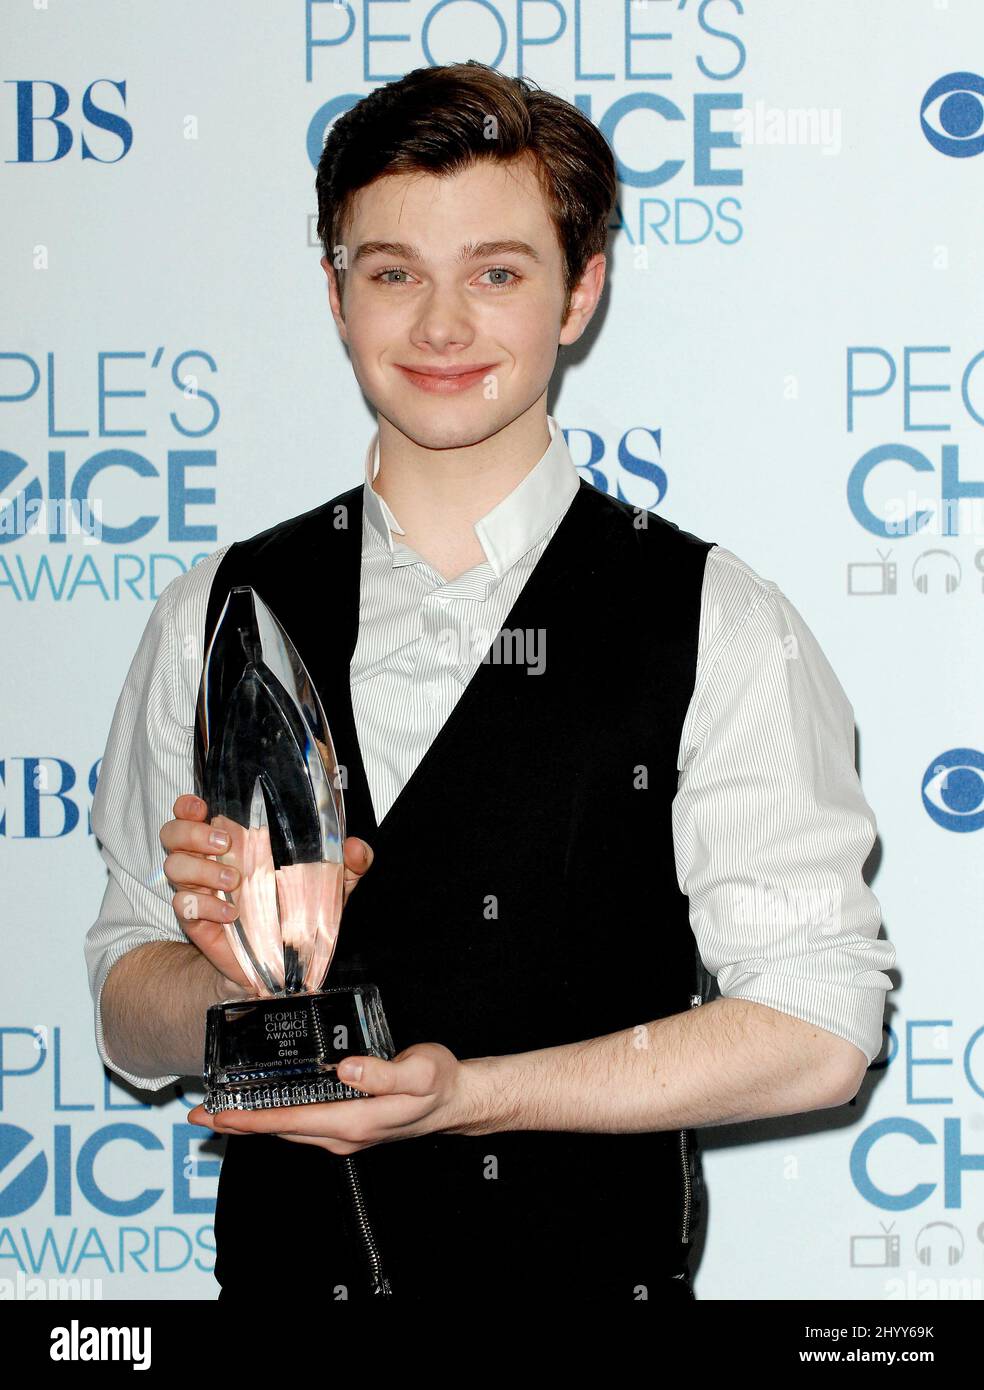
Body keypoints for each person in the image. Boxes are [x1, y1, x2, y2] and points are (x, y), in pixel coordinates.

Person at [84, 60, 896, 1302]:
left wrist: (476, 1097)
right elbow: (127, 1004)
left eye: (498, 273)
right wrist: (229, 977)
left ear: (581, 293)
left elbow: (819, 1029)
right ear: (336, 291)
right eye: (394, 271)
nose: (442, 327)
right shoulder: (219, 612)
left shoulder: (716, 620)